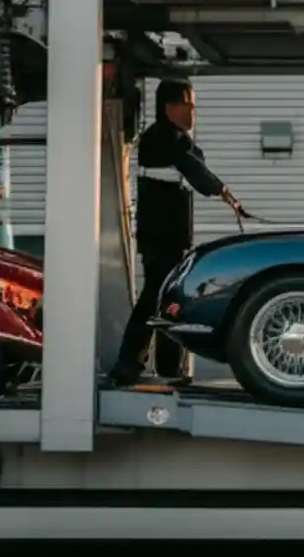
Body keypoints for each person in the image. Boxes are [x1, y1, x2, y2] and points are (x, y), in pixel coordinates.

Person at [106, 79, 240, 387]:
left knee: (166, 299)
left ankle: (165, 367)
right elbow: (193, 166)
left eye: (194, 106)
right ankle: (132, 364)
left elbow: (193, 160)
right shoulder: (166, 138)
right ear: (169, 108)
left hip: (167, 236)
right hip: (162, 237)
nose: (192, 112)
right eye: (187, 106)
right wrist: (222, 191)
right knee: (156, 298)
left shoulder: (171, 138)